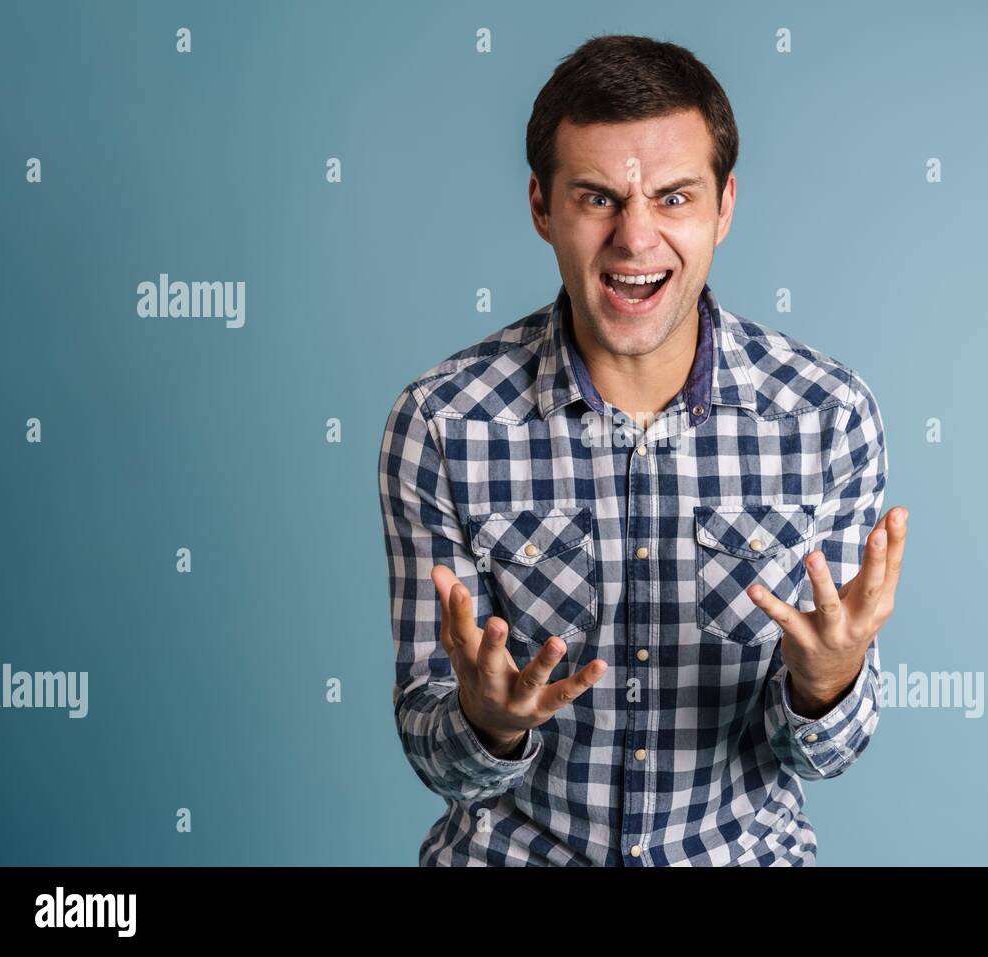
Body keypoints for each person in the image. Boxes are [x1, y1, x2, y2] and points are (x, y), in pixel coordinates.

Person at [378, 34, 909, 866]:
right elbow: (434, 751)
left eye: (673, 198)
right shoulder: (443, 423)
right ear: (541, 206)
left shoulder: (827, 416)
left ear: (724, 206)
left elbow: (824, 754)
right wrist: (488, 721)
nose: (635, 239)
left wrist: (828, 682)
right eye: (596, 199)